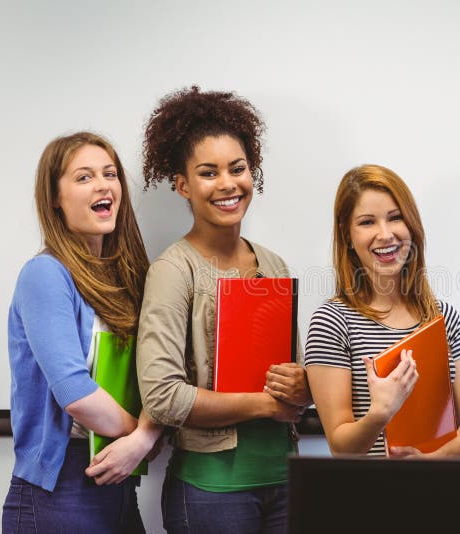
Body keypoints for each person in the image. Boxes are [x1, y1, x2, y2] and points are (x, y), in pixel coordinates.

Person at [137, 87, 312, 533]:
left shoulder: (273, 264)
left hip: (288, 482)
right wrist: (262, 405)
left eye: (237, 169)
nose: (227, 184)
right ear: (182, 185)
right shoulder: (174, 271)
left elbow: (293, 383)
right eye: (208, 173)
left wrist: (303, 385)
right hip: (210, 491)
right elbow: (161, 396)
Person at [2, 132, 162, 533]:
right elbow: (74, 391)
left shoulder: (125, 279)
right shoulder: (45, 274)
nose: (103, 184)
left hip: (118, 478)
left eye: (110, 174)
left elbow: (158, 376)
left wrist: (140, 441)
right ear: (55, 197)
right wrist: (141, 436)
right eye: (84, 177)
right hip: (60, 487)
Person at [304, 164, 460, 458]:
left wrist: (430, 463)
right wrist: (381, 412)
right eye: (367, 222)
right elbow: (340, 447)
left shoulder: (444, 317)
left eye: (395, 218)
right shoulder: (332, 322)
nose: (385, 234)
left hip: (440, 495)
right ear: (346, 235)